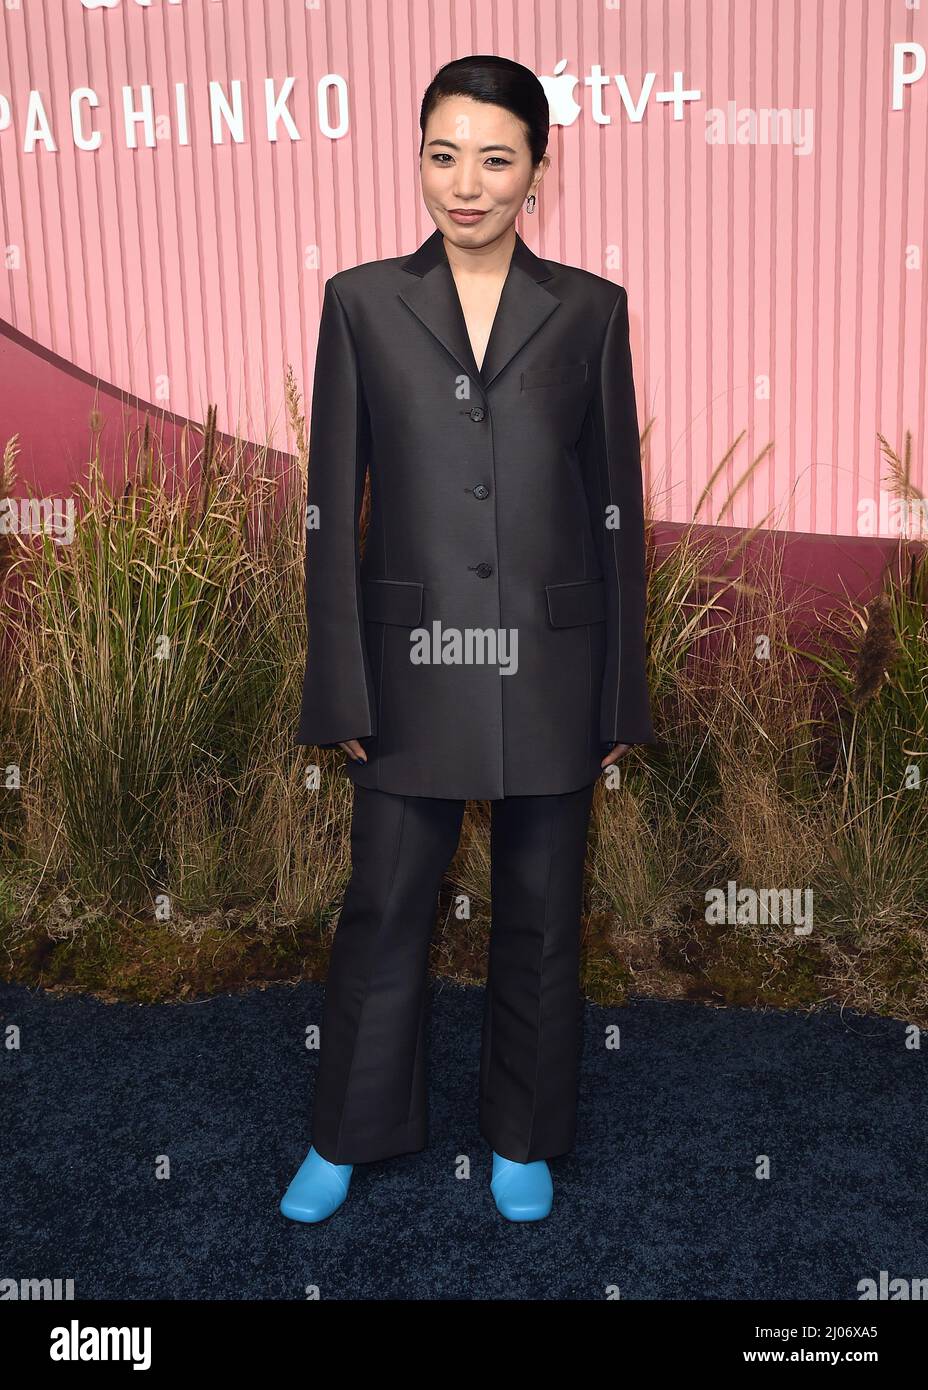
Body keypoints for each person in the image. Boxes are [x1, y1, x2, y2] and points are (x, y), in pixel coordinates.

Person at [281, 54, 655, 1224]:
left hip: (553, 667)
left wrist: (618, 693)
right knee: (384, 906)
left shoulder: (590, 309)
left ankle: (523, 1138)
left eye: (496, 159)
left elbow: (616, 509)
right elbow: (331, 503)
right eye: (444, 155)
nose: (467, 183)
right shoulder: (359, 302)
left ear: (539, 169)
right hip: (404, 670)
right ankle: (345, 1134)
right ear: (419, 159)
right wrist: (339, 685)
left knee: (541, 916)